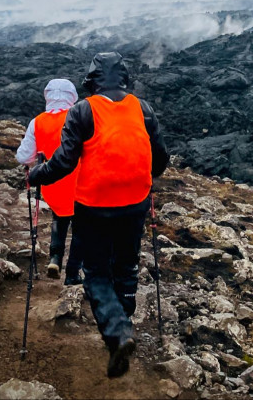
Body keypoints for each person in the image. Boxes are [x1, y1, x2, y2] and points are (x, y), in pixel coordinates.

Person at [28, 53, 168, 378]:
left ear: (91, 81)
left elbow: (63, 162)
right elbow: (160, 160)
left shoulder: (82, 111)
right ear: (124, 78)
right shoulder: (143, 109)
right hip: (135, 203)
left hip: (94, 205)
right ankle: (123, 322)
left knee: (95, 273)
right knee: (126, 265)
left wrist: (37, 175)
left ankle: (118, 332)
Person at [16, 78, 83, 284]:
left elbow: (24, 157)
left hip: (52, 182)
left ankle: (55, 258)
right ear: (72, 96)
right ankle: (73, 273)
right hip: (80, 182)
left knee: (59, 219)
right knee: (80, 227)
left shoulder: (37, 122)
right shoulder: (78, 118)